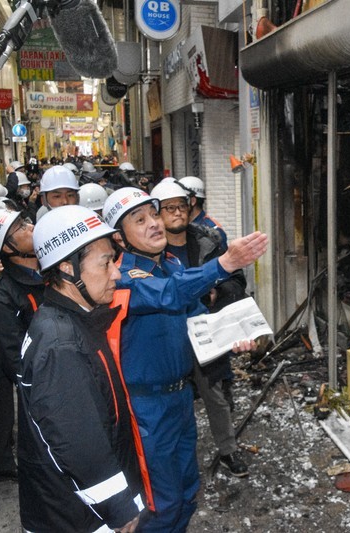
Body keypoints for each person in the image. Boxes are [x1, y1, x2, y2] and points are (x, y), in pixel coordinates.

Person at [102, 187, 268, 531]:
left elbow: (195, 318)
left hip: (180, 399)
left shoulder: (172, 265)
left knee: (187, 492)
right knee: (159, 504)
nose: (155, 224)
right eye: (140, 220)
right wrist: (224, 264)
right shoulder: (122, 276)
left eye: (154, 214)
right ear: (120, 237)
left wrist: (230, 338)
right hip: (146, 407)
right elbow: (169, 294)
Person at [18, 205, 145, 532]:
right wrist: (119, 507)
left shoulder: (80, 321)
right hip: (78, 519)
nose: (116, 273)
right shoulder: (61, 345)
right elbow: (78, 443)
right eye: (105, 263)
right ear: (66, 269)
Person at [152, 180, 248, 477]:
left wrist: (221, 292)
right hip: (168, 337)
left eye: (182, 205)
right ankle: (175, 462)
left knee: (215, 395)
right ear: (158, 213)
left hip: (207, 331)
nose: (178, 213)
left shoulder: (208, 240)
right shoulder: (151, 250)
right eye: (169, 208)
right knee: (172, 402)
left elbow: (237, 279)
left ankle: (229, 450)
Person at [0, 209, 43, 479]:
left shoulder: (50, 270)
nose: (30, 227)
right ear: (8, 247)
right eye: (21, 228)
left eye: (25, 222)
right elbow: (13, 356)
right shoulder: (4, 294)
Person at [178, 175, 228, 248]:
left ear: (192, 201)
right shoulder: (183, 225)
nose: (177, 206)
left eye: (181, 202)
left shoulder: (212, 231)